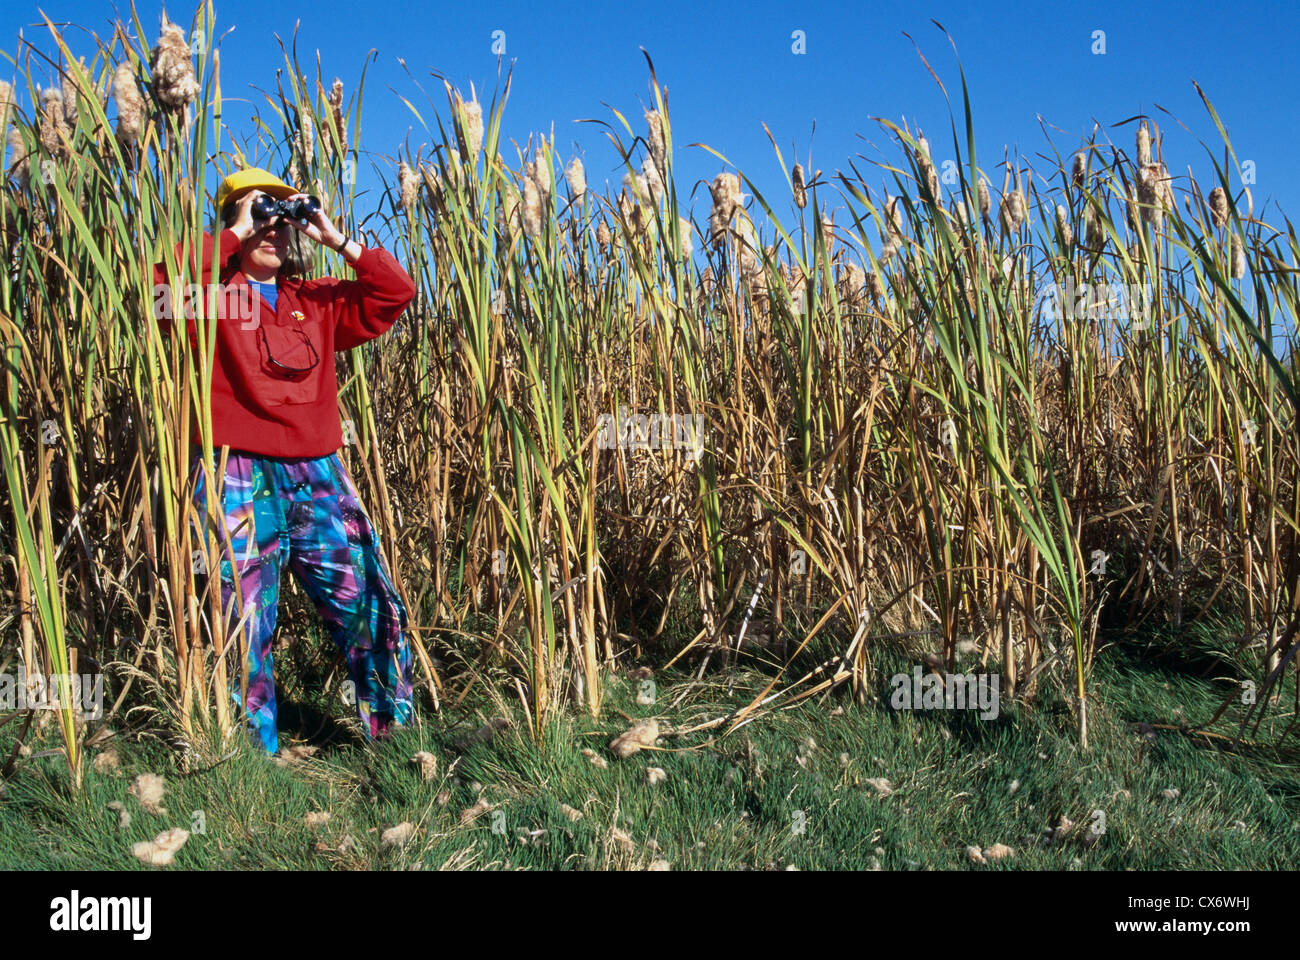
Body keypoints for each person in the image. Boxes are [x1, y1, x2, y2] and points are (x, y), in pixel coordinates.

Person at [153, 167, 417, 755]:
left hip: (316, 474)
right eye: (258, 214)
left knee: (367, 602)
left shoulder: (316, 301)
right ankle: (249, 754)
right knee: (241, 618)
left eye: (282, 215)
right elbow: (158, 289)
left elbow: (395, 292)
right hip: (236, 474)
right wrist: (234, 231)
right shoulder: (211, 300)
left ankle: (395, 737)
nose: (274, 227)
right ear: (234, 223)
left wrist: (334, 238)